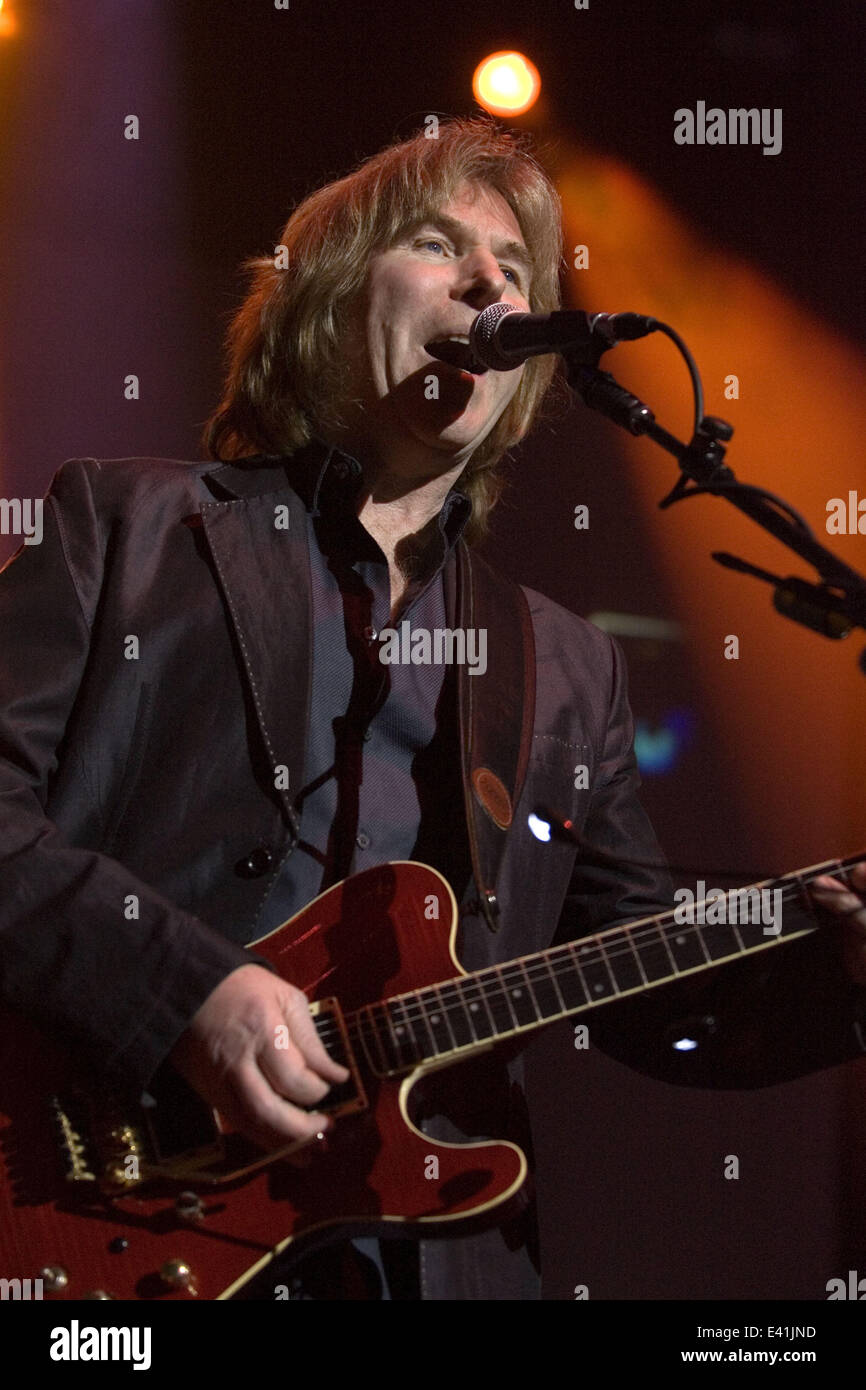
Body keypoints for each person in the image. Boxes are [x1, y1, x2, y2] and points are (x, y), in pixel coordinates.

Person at [1, 117, 865, 1301]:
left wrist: (843, 978)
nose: (488, 285)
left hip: (431, 1265)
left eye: (515, 269)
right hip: (104, 1219)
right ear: (321, 301)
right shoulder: (129, 531)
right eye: (436, 245)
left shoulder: (561, 668)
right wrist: (177, 989)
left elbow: (657, 996)